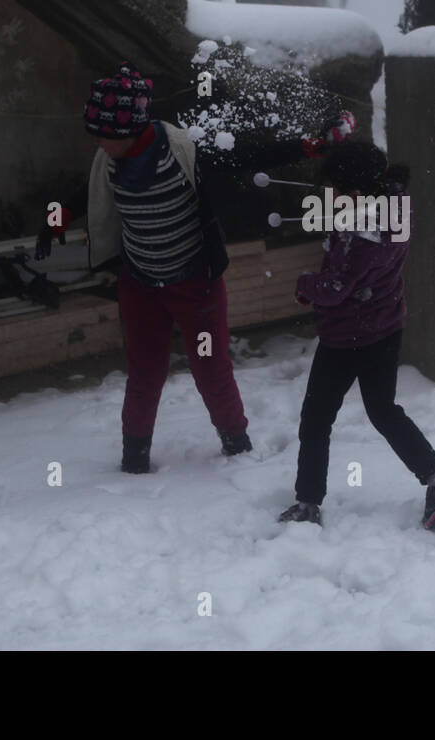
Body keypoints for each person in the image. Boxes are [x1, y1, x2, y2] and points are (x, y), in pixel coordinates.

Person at [36, 61, 353, 473]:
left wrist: (307, 146)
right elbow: (85, 196)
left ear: (127, 130)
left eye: (102, 133)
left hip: (194, 285)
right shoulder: (108, 162)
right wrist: (54, 219)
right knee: (144, 372)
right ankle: (134, 460)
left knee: (211, 368)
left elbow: (246, 153)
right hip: (141, 285)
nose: (96, 141)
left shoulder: (184, 150)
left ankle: (237, 447)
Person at [279, 141, 435, 531]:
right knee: (383, 411)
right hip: (383, 328)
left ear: (357, 189)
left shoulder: (365, 229)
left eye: (335, 188)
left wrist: (304, 283)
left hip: (348, 335)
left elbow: (336, 286)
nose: (328, 196)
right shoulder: (391, 206)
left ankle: (308, 503)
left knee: (316, 419)